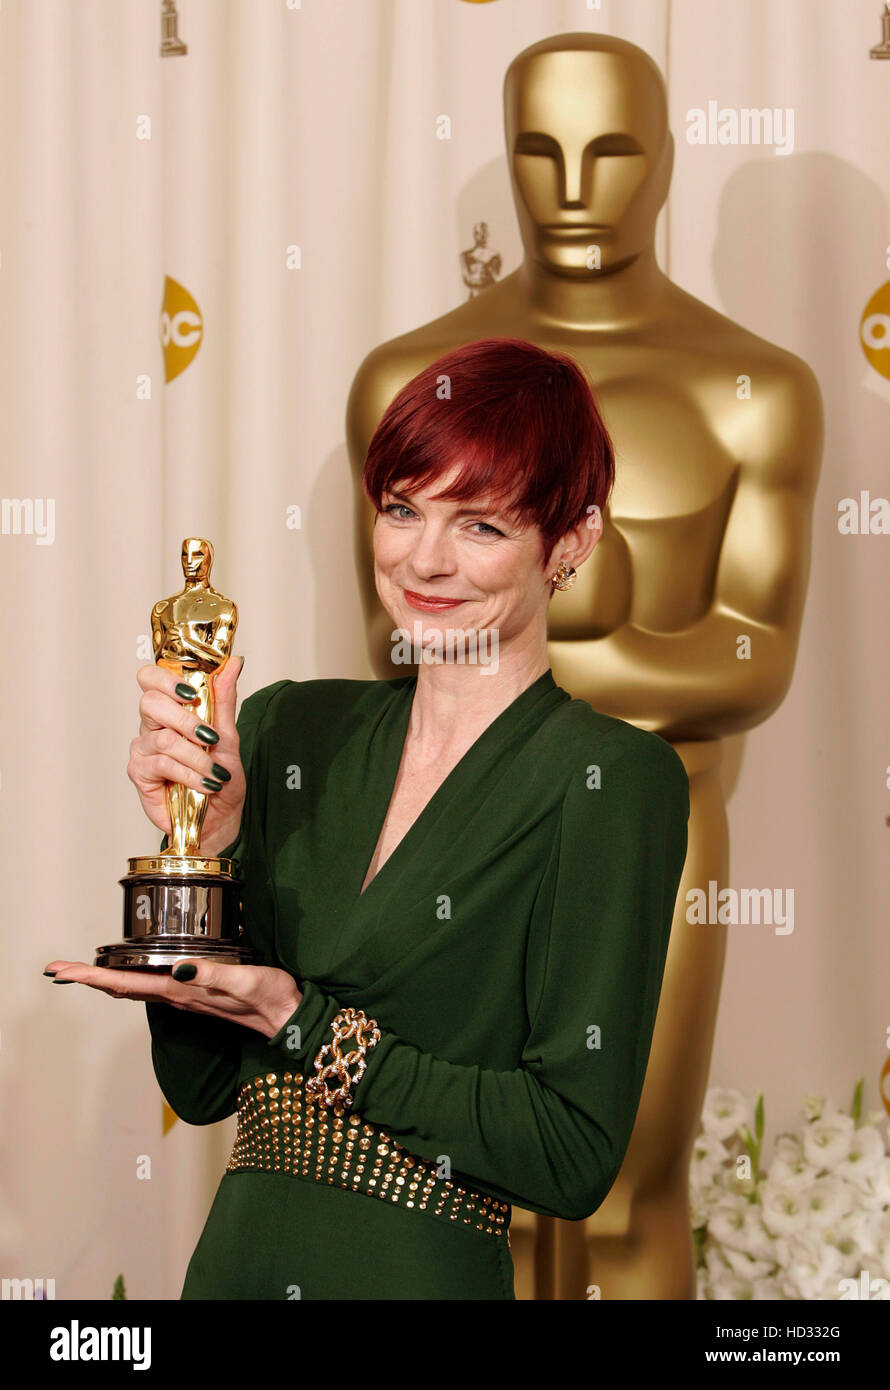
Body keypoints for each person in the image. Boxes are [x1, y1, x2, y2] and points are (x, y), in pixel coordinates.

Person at [46, 337, 690, 1301]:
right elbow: (203, 1089)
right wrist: (204, 845)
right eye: (402, 509)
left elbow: (569, 1153)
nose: (424, 560)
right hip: (233, 1267)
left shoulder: (608, 778)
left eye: (480, 526)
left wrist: (300, 1021)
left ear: (573, 542)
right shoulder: (288, 726)